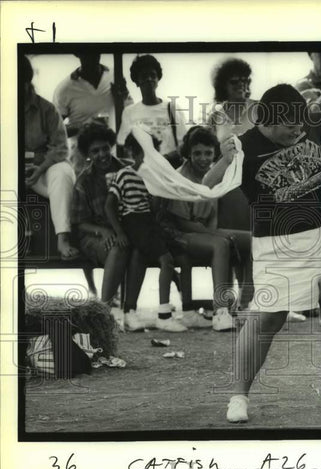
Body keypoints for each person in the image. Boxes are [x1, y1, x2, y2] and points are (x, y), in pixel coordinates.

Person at [203, 84, 321, 423]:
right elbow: (208, 187)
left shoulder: (305, 123)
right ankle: (239, 396)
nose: (299, 131)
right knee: (267, 317)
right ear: (268, 120)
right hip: (279, 242)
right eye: (290, 126)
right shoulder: (243, 147)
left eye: (301, 124)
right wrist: (224, 160)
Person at [207, 58, 307, 323]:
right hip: (233, 186)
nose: (241, 85)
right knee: (240, 248)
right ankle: (228, 308)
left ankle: (263, 302)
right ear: (223, 85)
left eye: (244, 80)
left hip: (263, 182)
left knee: (259, 240)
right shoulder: (217, 115)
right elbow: (211, 162)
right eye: (234, 81)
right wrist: (226, 158)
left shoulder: (260, 109)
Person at [105, 132, 205, 331]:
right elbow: (109, 206)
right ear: (133, 152)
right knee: (166, 260)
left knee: (181, 257)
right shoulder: (124, 174)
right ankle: (163, 315)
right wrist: (120, 233)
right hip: (133, 221)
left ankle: (180, 310)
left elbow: (153, 207)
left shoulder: (150, 177)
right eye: (145, 153)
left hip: (148, 222)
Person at [158, 126, 254, 331]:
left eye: (208, 153)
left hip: (203, 232)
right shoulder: (180, 176)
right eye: (197, 153)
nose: (203, 158)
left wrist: (215, 232)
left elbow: (212, 216)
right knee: (221, 244)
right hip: (177, 235)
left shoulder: (213, 174)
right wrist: (215, 235)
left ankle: (245, 306)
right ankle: (221, 313)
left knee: (254, 241)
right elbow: (181, 222)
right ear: (188, 154)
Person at [71, 123, 148, 330]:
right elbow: (79, 222)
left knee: (137, 250)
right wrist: (104, 231)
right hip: (94, 235)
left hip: (128, 232)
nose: (102, 154)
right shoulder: (84, 181)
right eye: (95, 151)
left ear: (111, 146)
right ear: (88, 154)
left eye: (105, 148)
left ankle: (130, 312)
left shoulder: (128, 169)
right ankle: (103, 313)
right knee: (120, 246)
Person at [22, 55, 80, 261]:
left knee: (63, 172)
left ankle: (62, 238)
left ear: (27, 81)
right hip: (11, 170)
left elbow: (60, 148)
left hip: (42, 169)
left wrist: (39, 167)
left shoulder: (47, 109)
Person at [53, 49, 132, 172]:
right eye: (86, 51)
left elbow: (130, 113)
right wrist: (82, 127)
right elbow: (54, 131)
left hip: (113, 155)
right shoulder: (65, 89)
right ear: (77, 53)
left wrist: (123, 97)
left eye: (96, 50)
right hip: (82, 161)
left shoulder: (115, 76)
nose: (92, 55)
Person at [117, 55, 187, 160]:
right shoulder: (129, 112)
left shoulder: (172, 108)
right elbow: (124, 146)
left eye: (153, 75)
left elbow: (184, 145)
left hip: (169, 169)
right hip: (143, 172)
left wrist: (163, 161)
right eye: (144, 76)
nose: (149, 79)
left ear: (158, 79)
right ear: (137, 81)